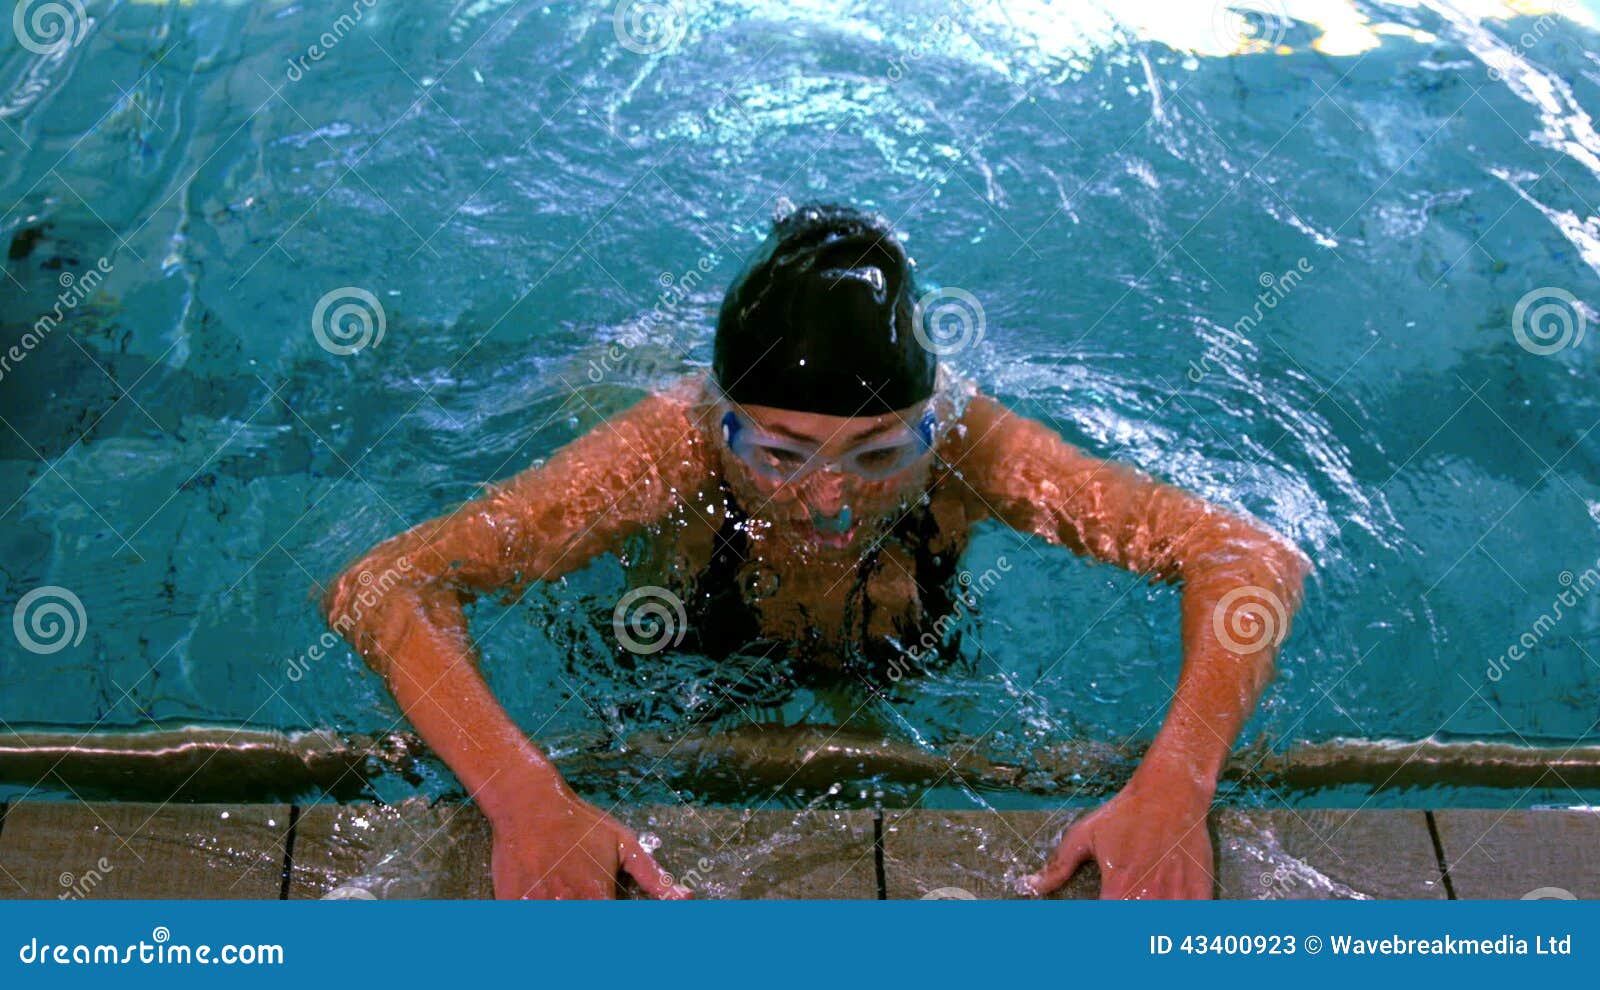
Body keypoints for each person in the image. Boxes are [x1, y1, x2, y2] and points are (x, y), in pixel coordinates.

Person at [323, 202, 1310, 900]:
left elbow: (1251, 561)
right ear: (723, 421)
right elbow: (385, 585)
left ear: (930, 421)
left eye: (880, 454)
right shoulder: (668, 447)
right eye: (781, 454)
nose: (830, 502)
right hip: (680, 647)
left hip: (884, 644)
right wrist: (526, 800)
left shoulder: (972, 445)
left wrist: (1176, 785)